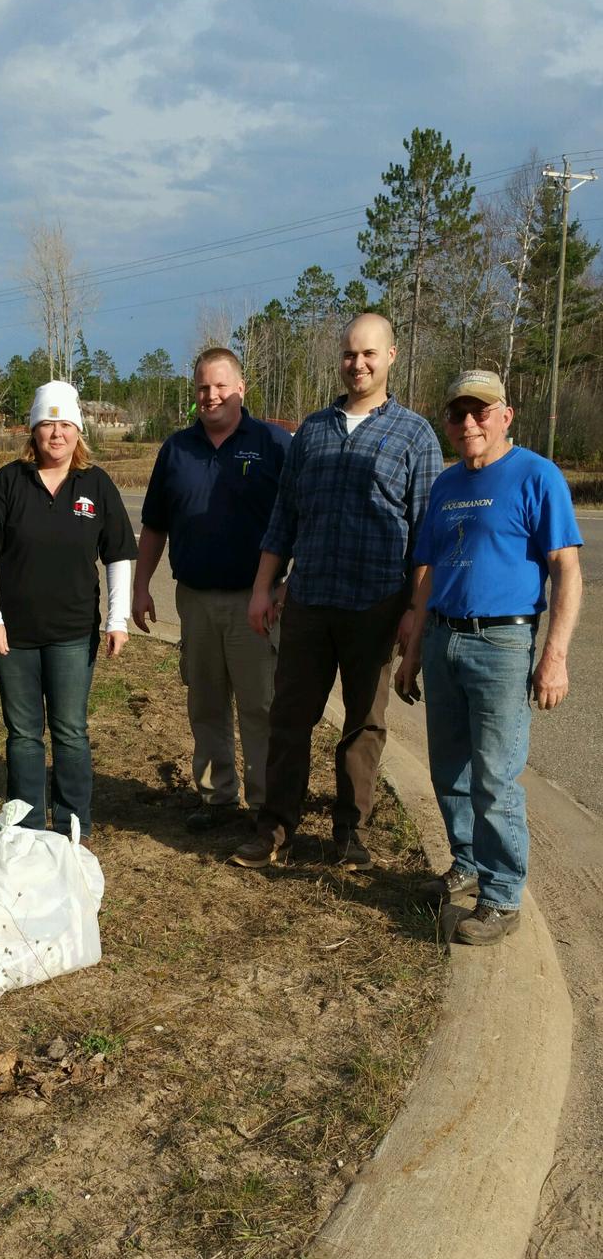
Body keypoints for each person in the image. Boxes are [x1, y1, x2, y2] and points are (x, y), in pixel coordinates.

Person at [231, 312, 444, 870]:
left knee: (364, 724)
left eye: (369, 354)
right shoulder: (314, 430)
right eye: (350, 353)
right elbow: (284, 518)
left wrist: (414, 613)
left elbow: (426, 539)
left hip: (376, 604)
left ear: (391, 356)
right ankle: (276, 827)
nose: (358, 364)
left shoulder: (415, 436)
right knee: (289, 718)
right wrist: (263, 588)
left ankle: (349, 832)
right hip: (309, 601)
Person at [394, 370, 582, 945]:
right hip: (443, 638)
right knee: (449, 769)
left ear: (505, 415)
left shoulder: (536, 475)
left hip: (503, 643)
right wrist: (413, 649)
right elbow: (426, 572)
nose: (468, 423)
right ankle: (467, 865)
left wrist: (555, 656)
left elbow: (567, 571)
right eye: (458, 414)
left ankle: (501, 896)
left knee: (495, 777)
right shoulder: (447, 486)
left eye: (480, 411)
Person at [132, 347, 291, 831]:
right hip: (194, 599)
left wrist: (287, 585)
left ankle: (266, 806)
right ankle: (218, 797)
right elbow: (155, 527)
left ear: (241, 387)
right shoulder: (177, 450)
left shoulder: (273, 444)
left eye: (221, 385)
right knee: (205, 700)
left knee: (260, 705)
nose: (211, 395)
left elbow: (301, 519)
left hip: (255, 600)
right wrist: (140, 587)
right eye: (203, 387)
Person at [0, 381, 137, 842]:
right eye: (48, 423)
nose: (57, 433)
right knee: (23, 734)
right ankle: (24, 826)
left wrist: (117, 618)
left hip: (72, 634)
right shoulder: (9, 482)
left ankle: (72, 826)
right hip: (15, 636)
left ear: (79, 431)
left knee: (70, 731)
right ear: (33, 429)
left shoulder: (96, 485)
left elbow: (119, 554)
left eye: (66, 423)